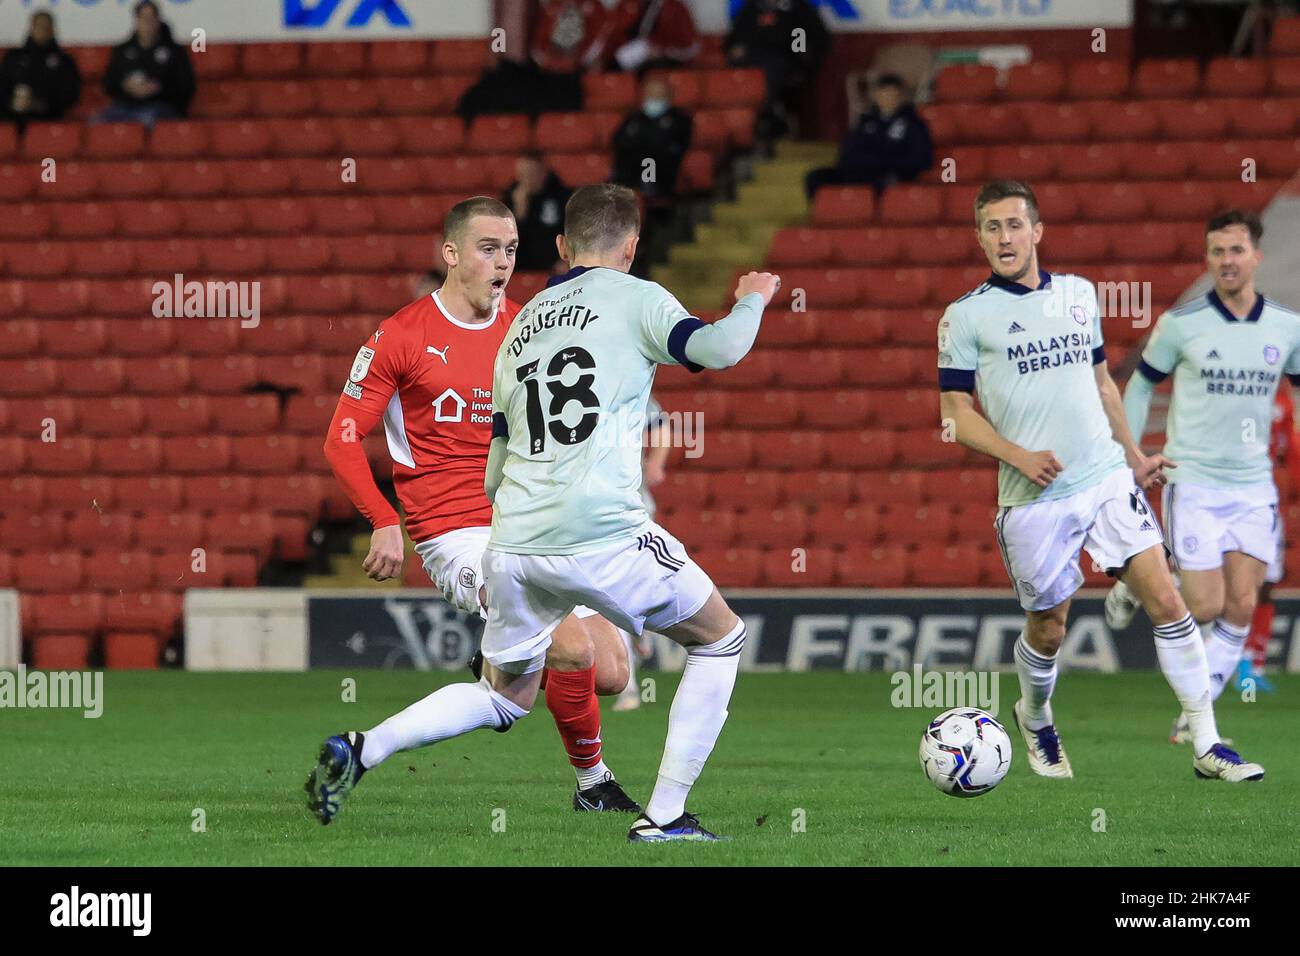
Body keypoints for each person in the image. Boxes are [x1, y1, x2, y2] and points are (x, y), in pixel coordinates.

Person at [307, 197, 639, 824]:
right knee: (568, 649)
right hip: (457, 534)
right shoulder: (400, 336)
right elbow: (342, 438)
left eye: (512, 251)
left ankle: (360, 750)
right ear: (451, 254)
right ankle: (594, 784)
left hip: (534, 522)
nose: (503, 263)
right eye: (489, 249)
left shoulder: (529, 330)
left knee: (606, 673)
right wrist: (382, 519)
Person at [937, 179, 1264, 782]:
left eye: (1014, 224)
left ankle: (1208, 743)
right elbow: (954, 417)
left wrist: (1134, 455)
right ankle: (1034, 716)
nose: (1004, 237)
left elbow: (1103, 384)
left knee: (1168, 598)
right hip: (1033, 499)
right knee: (1050, 626)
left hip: (1105, 477)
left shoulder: (1080, 295)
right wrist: (1018, 454)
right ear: (979, 237)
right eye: (992, 227)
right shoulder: (966, 316)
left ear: (1037, 231)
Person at [480, 184, 779, 841]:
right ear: (632, 246)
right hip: (604, 526)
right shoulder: (638, 297)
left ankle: (369, 746)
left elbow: (495, 465)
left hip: (520, 534)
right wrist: (753, 296)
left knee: (513, 693)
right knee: (721, 637)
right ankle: (665, 816)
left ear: (560, 247)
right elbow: (721, 350)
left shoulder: (522, 322)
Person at [1108, 210, 1300, 739]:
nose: (1226, 261)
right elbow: (1142, 383)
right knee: (1205, 605)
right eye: (1216, 252)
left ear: (1256, 256)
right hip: (1193, 478)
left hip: (1253, 484)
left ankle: (1197, 720)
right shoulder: (1183, 324)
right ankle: (1141, 581)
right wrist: (1133, 450)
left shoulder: (1287, 328)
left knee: (1241, 606)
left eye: (1235, 251)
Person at [613, 394, 672, 712]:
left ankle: (639, 623)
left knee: (624, 593)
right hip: (587, 513)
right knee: (614, 596)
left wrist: (655, 462)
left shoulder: (626, 382)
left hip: (631, 509)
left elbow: (660, 423)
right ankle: (629, 687)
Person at [804, 74, 933, 199]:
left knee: (885, 182)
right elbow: (847, 152)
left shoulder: (914, 124)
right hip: (859, 172)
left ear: (901, 97)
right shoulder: (865, 122)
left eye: (893, 94)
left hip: (890, 174)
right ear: (876, 96)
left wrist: (883, 162)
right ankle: (823, 216)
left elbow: (921, 159)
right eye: (884, 94)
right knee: (816, 177)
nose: (888, 98)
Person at [726, 0, 829, 139]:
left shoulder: (798, 9)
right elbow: (732, 41)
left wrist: (803, 61)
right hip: (749, 66)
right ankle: (752, 126)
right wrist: (736, 48)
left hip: (784, 64)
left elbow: (814, 41)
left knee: (768, 74)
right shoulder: (751, 9)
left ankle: (770, 121)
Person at [96, 0, 195, 126]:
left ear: (158, 20)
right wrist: (126, 86)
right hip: (126, 105)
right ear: (136, 20)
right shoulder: (122, 51)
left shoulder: (175, 52)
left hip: (161, 106)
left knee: (146, 119)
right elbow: (109, 83)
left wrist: (158, 87)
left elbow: (186, 86)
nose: (148, 23)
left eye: (151, 18)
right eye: (143, 18)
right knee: (97, 123)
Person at [611, 73, 692, 204]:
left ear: (669, 97)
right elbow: (618, 141)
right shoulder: (634, 118)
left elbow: (673, 145)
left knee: (649, 160)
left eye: (658, 95)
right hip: (632, 165)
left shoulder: (680, 119)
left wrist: (643, 141)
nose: (654, 99)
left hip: (662, 168)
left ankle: (647, 190)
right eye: (650, 95)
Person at [0, 10, 81, 127]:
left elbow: (70, 93)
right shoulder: (13, 57)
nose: (42, 30)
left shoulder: (65, 61)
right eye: (39, 25)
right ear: (31, 28)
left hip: (50, 116)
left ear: (53, 30)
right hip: (10, 114)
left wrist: (41, 104)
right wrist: (11, 102)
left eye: (46, 26)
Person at [500, 152, 571, 273]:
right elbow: (506, 239)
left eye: (532, 173)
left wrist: (567, 258)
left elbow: (571, 230)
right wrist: (520, 210)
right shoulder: (511, 197)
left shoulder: (562, 196)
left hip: (555, 263)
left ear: (543, 172)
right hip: (521, 264)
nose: (527, 179)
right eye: (522, 174)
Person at [606, 0, 700, 72]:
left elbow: (691, 47)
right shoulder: (637, 6)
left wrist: (663, 51)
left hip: (670, 59)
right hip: (642, 55)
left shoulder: (677, 7)